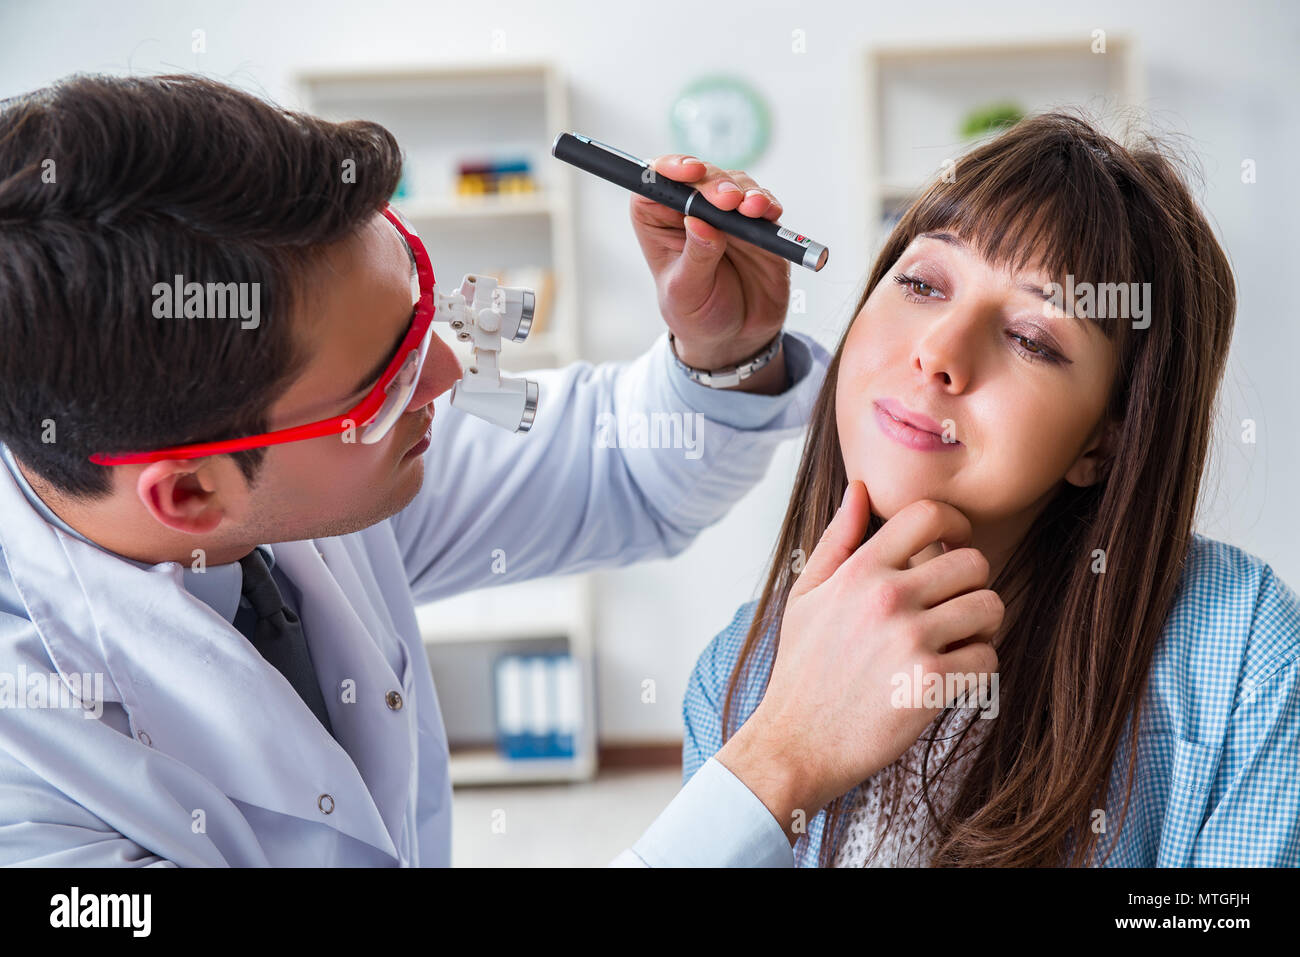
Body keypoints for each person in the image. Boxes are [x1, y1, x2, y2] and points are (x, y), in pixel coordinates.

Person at [0, 72, 901, 867]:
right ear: (191, 491)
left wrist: (723, 353)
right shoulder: (30, 792)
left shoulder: (308, 469)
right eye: (382, 381)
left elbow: (620, 470)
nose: (444, 372)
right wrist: (771, 768)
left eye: (417, 301)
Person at [676, 110, 1300, 867]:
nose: (938, 352)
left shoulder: (1240, 653)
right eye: (922, 282)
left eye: (1032, 338)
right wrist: (782, 755)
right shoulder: (732, 679)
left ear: (1105, 439)